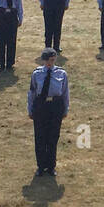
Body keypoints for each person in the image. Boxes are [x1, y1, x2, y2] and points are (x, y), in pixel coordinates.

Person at [28, 48, 69, 176]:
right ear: (43, 60)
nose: (50, 63)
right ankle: (41, 166)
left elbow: (65, 92)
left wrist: (65, 109)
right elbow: (32, 93)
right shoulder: (37, 74)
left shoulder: (61, 73)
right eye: (47, 60)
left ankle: (51, 166)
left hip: (55, 106)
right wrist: (30, 109)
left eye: (52, 60)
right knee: (40, 136)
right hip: (41, 106)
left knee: (53, 136)